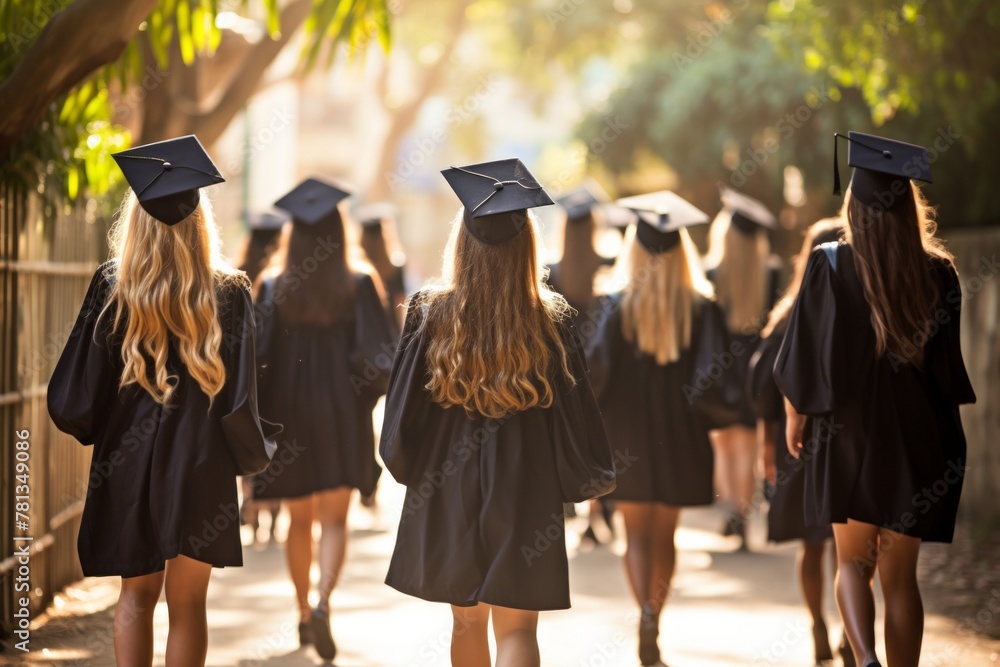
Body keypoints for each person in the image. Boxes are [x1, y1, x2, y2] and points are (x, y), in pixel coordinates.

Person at [47, 135, 279, 667]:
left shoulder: (114, 287)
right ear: (201, 223)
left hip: (127, 465)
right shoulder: (229, 292)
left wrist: (102, 427)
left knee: (135, 596)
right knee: (189, 602)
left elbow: (75, 396)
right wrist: (254, 454)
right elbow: (240, 400)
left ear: (136, 223)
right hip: (201, 465)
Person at [379, 159, 615, 667]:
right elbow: (576, 419)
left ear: (459, 246)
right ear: (528, 246)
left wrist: (411, 469)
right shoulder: (550, 318)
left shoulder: (429, 309)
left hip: (447, 480)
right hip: (525, 483)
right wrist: (580, 481)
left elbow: (402, 415)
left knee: (466, 621)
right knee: (518, 629)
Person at [774, 132, 976, 667]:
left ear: (853, 206)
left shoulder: (829, 264)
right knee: (901, 580)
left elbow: (802, 356)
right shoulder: (939, 272)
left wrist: (795, 417)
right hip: (914, 439)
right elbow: (946, 373)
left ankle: (864, 659)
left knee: (850, 564)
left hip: (847, 435)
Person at [586, 190, 741, 667]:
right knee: (666, 538)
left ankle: (644, 615)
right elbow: (713, 378)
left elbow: (596, 373)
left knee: (635, 537)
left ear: (632, 247)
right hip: (679, 437)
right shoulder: (701, 307)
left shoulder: (613, 305)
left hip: (626, 438)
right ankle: (656, 611)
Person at [252, 177, 398, 661]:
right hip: (341, 413)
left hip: (290, 417)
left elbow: (259, 359)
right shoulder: (359, 284)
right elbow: (377, 357)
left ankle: (299, 610)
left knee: (299, 523)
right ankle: (323, 603)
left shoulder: (273, 285)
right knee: (335, 521)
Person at [749, 217, 853, 666]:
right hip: (845, 443)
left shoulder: (787, 316)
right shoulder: (856, 308)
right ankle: (852, 632)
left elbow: (763, 386)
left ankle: (817, 624)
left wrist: (765, 447)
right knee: (851, 548)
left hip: (798, 446)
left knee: (813, 544)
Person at [704, 186, 783, 549]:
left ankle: (732, 514)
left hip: (719, 370)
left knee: (724, 447)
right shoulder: (770, 273)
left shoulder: (712, 273)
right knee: (749, 451)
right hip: (754, 372)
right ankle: (745, 520)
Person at [237, 210, 288, 544]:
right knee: (276, 444)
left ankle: (251, 504)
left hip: (248, 371)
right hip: (276, 374)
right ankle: (271, 516)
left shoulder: (241, 275)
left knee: (247, 436)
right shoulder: (282, 277)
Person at [355, 202, 409, 328]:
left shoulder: (357, 270)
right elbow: (399, 303)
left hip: (364, 330)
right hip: (388, 329)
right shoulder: (395, 266)